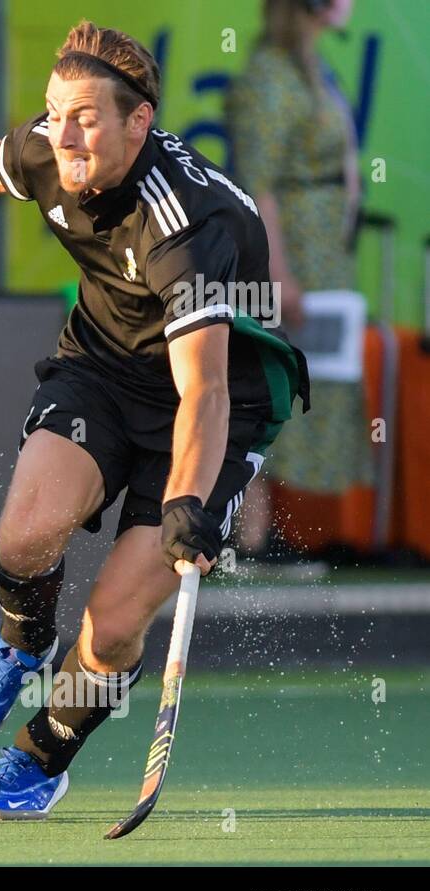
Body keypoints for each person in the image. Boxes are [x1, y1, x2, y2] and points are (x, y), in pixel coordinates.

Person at [0, 20, 309, 820]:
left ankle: (44, 756)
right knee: (24, 537)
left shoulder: (188, 229)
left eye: (86, 115)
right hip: (102, 369)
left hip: (214, 408)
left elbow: (207, 394)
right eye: (56, 111)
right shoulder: (53, 145)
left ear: (140, 121)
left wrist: (188, 504)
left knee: (116, 622)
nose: (65, 131)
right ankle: (22, 644)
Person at [226, 0, 368, 558]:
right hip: (293, 260)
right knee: (270, 384)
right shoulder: (269, 74)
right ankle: (250, 538)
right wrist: (279, 272)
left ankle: (264, 534)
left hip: (323, 257)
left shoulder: (308, 66)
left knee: (306, 386)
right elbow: (259, 181)